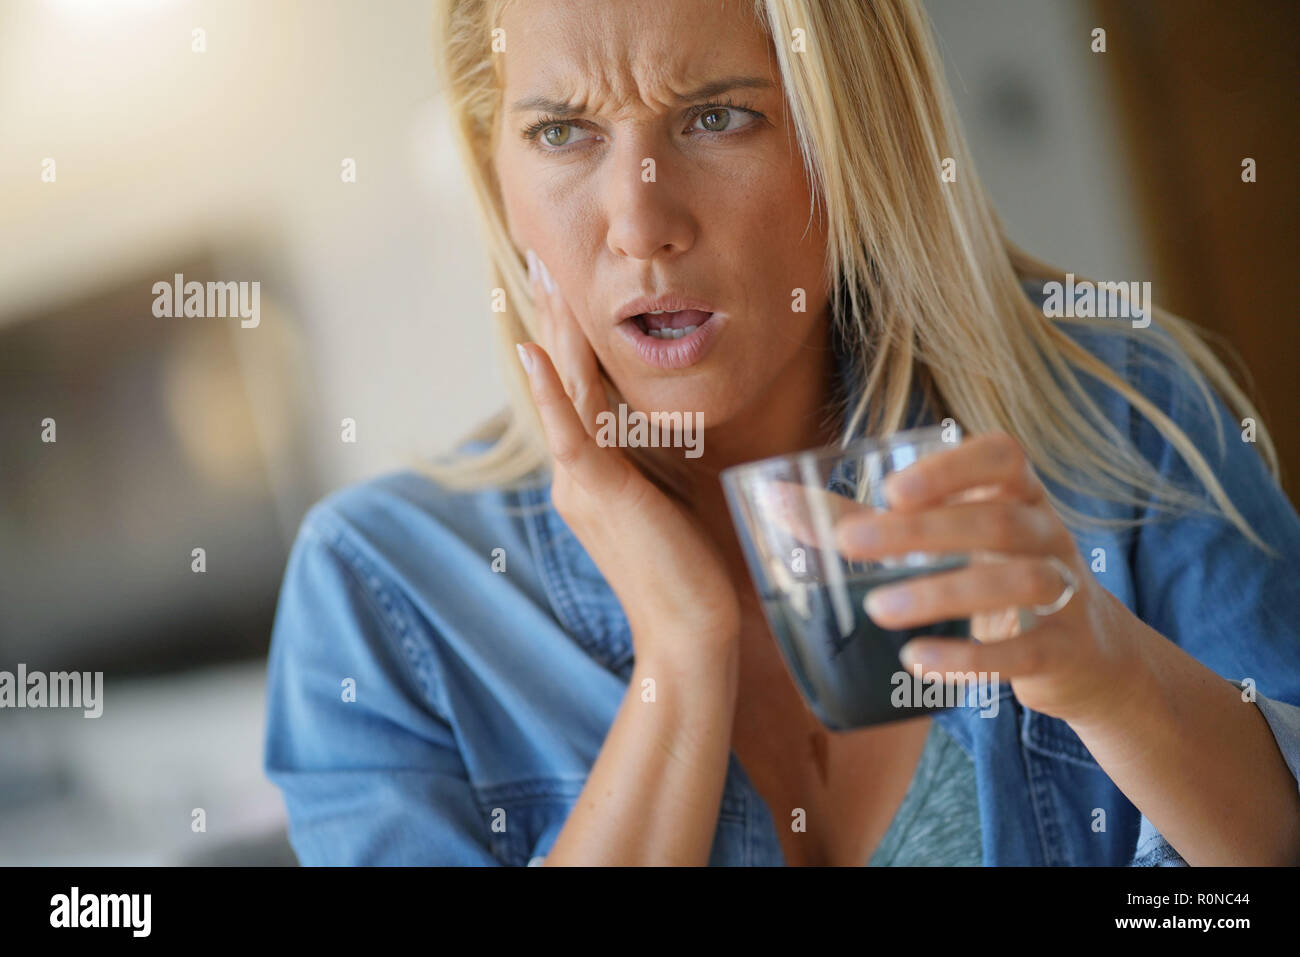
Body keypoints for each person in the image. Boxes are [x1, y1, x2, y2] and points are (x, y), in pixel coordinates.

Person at [262, 0, 1300, 865]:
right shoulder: (378, 590)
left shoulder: (1115, 414)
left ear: (846, 133)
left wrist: (1111, 679)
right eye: (562, 132)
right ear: (497, 176)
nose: (639, 221)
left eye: (717, 118)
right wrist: (681, 648)